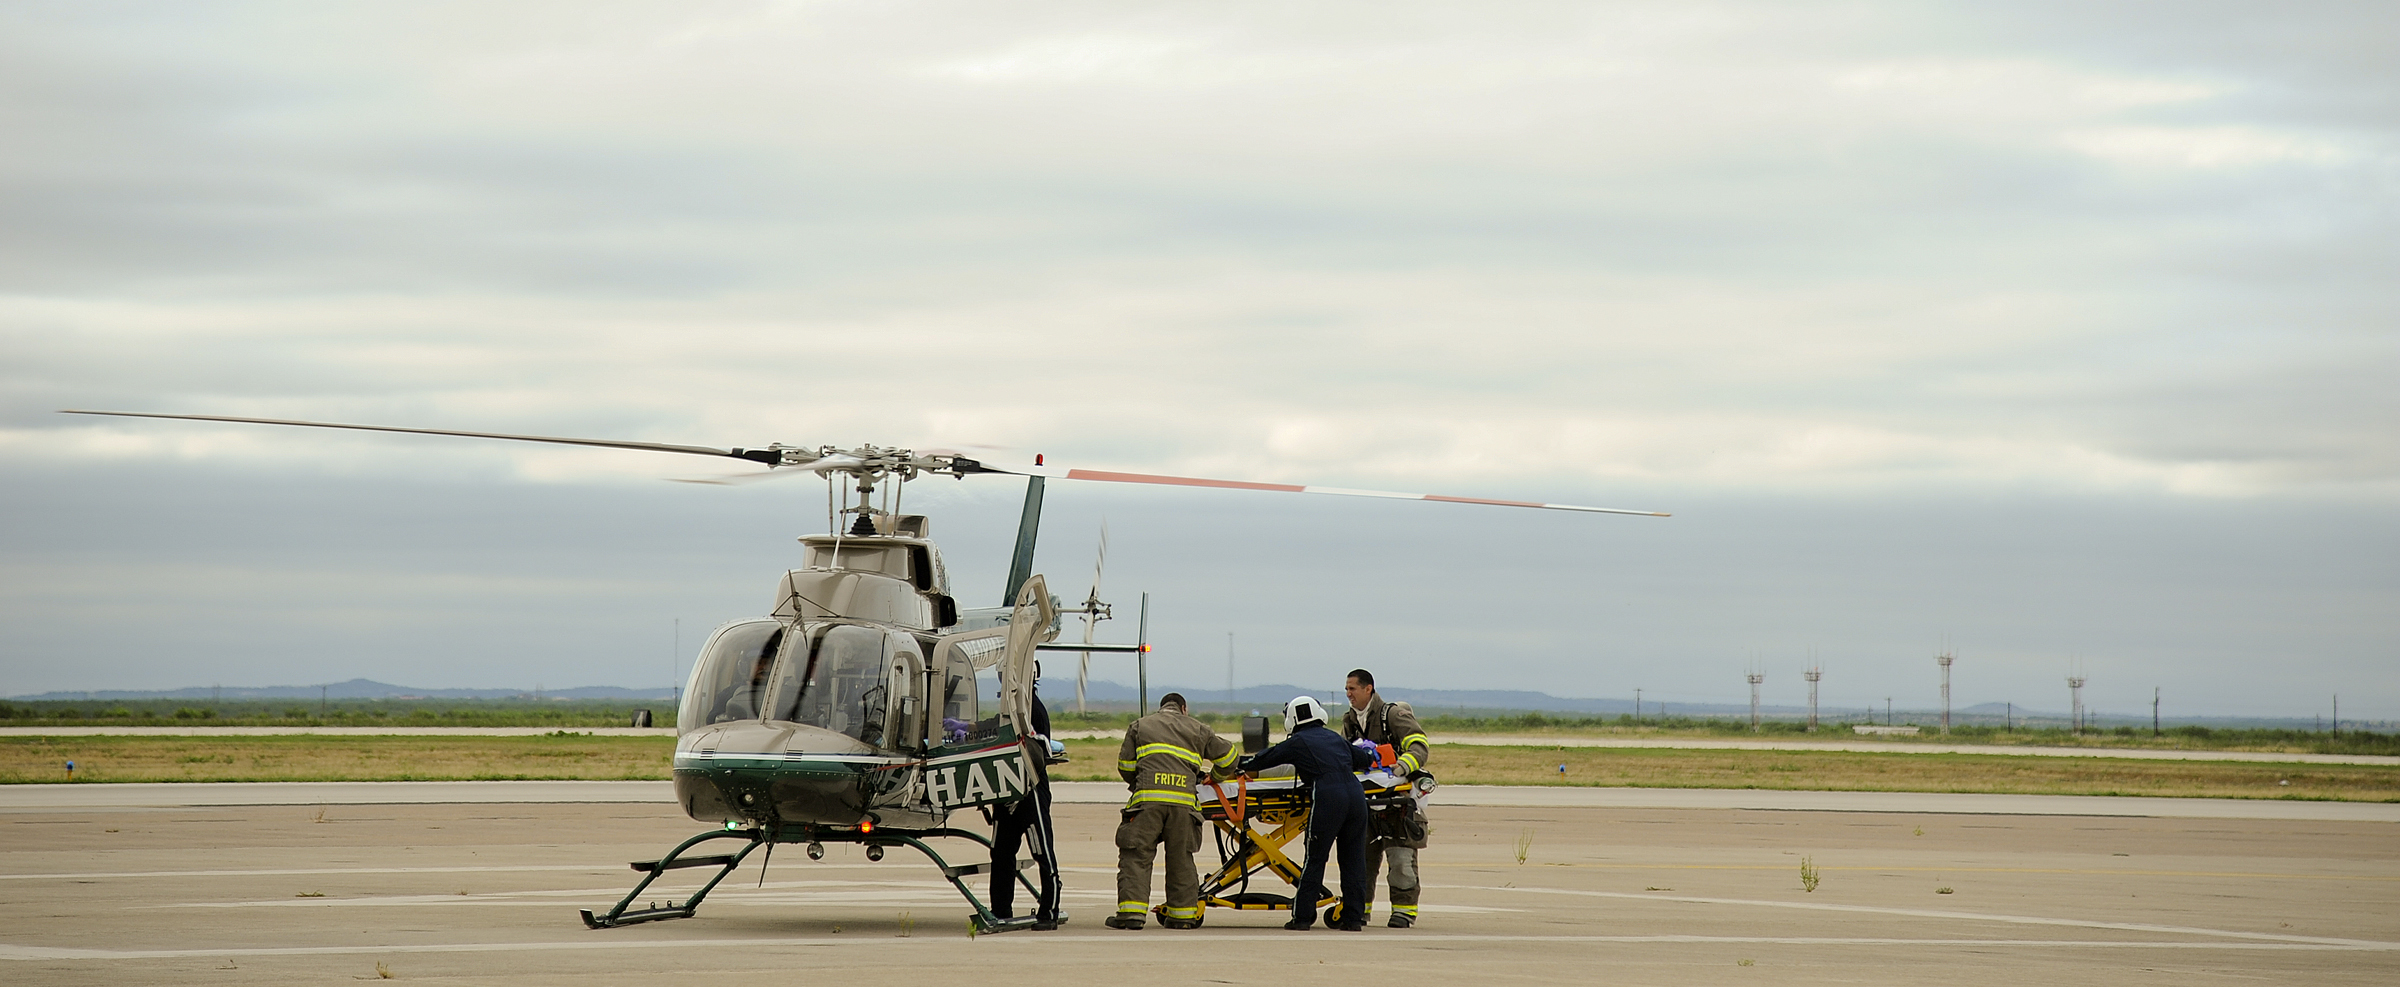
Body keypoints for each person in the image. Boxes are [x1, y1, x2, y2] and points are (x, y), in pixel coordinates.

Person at [1239, 694, 1372, 931]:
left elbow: (1262, 760)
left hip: (1329, 797)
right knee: (1354, 860)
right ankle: (1353, 919)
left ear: (1291, 719)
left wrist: (1237, 765)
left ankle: (1302, 918)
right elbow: (1363, 759)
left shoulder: (1297, 742)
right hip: (1356, 796)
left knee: (1315, 858)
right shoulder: (1335, 737)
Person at [1107, 692, 1236, 930]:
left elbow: (1125, 766)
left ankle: (1131, 915)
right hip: (1184, 806)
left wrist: (1140, 783)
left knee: (1136, 856)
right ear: (1183, 708)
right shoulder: (1199, 729)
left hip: (1147, 802)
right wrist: (1213, 778)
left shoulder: (1140, 726)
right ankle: (1183, 917)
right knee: (1181, 860)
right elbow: (1229, 758)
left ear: (1162, 707)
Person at [1342, 668, 1432, 928]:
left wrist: (1402, 767)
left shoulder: (1392, 714)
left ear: (1368, 688)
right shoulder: (1350, 720)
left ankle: (1403, 912)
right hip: (1365, 803)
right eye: (1346, 689)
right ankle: (1359, 910)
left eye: (1352, 688)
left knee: (1401, 860)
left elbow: (1419, 745)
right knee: (1361, 861)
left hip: (1398, 803)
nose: (1348, 694)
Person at [989, 664, 1065, 929]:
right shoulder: (1009, 707)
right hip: (1007, 790)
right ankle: (1000, 909)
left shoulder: (1031, 708)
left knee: (1042, 852)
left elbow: (1031, 745)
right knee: (1001, 853)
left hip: (1030, 790)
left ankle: (1049, 912)